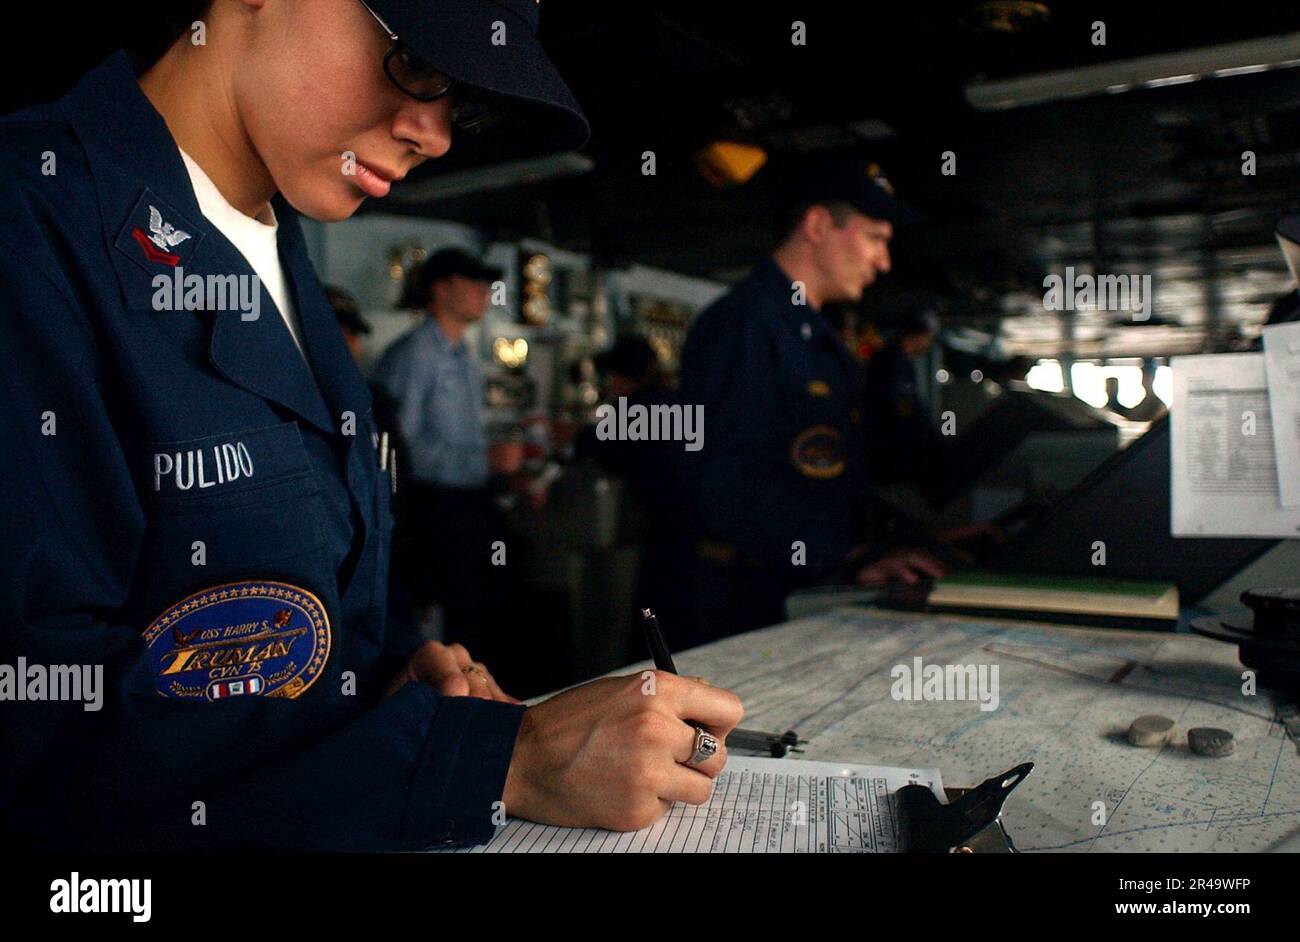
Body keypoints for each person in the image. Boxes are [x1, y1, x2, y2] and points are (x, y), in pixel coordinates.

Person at [0, 0, 741, 852]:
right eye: (417, 62)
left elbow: (303, 593)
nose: (436, 134)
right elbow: (37, 728)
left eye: (458, 101)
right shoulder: (30, 222)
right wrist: (493, 761)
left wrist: (381, 674)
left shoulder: (279, 252)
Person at [678, 157, 947, 642]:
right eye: (876, 238)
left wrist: (905, 538)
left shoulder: (810, 333)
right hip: (752, 599)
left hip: (808, 581)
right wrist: (842, 557)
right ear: (819, 225)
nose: (884, 261)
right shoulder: (746, 325)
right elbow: (722, 480)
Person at [372, 248, 523, 659]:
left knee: (479, 623)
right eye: (471, 281)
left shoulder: (463, 356)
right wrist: (484, 461)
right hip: (432, 514)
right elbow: (396, 453)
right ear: (440, 289)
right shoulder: (413, 355)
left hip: (470, 507)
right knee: (447, 634)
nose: (483, 290)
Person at [861, 306, 951, 497]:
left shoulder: (896, 359)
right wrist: (925, 436)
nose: (928, 344)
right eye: (928, 338)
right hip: (887, 451)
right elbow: (901, 405)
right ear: (920, 335)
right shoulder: (892, 360)